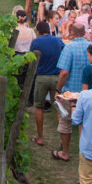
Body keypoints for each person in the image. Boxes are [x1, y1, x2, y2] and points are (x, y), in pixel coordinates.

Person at [53, 24, 92, 159]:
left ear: (71, 32)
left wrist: (58, 89)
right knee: (87, 123)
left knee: (65, 121)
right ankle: (86, 154)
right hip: (88, 92)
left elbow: (64, 72)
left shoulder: (69, 47)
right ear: (84, 32)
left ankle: (65, 152)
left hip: (70, 92)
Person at [28, 21, 64, 152]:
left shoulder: (36, 42)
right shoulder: (57, 41)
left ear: (38, 31)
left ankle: (40, 137)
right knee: (59, 108)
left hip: (41, 77)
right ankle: (62, 139)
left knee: (39, 106)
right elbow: (63, 51)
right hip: (56, 77)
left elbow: (30, 58)